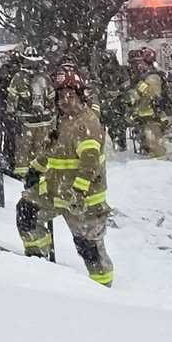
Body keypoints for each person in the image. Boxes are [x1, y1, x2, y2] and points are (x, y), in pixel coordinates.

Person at [31, 62, 114, 286]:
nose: (65, 101)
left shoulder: (86, 123)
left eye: (69, 95)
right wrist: (35, 169)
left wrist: (78, 191)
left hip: (85, 201)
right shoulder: (61, 121)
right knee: (27, 213)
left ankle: (103, 289)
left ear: (79, 95)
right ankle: (37, 263)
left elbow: (89, 163)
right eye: (61, 96)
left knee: (90, 249)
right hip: (56, 193)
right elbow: (52, 149)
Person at [5, 52, 57, 257]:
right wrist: (12, 111)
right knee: (26, 151)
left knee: (36, 151)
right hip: (29, 121)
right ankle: (26, 175)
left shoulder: (43, 79)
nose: (32, 66)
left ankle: (35, 174)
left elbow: (51, 98)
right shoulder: (21, 78)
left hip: (40, 122)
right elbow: (12, 97)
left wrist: (52, 113)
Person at [127, 46, 167, 158]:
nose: (135, 67)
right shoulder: (143, 78)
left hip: (152, 119)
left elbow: (150, 95)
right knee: (148, 149)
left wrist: (137, 87)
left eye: (138, 63)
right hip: (145, 119)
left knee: (157, 151)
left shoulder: (152, 77)